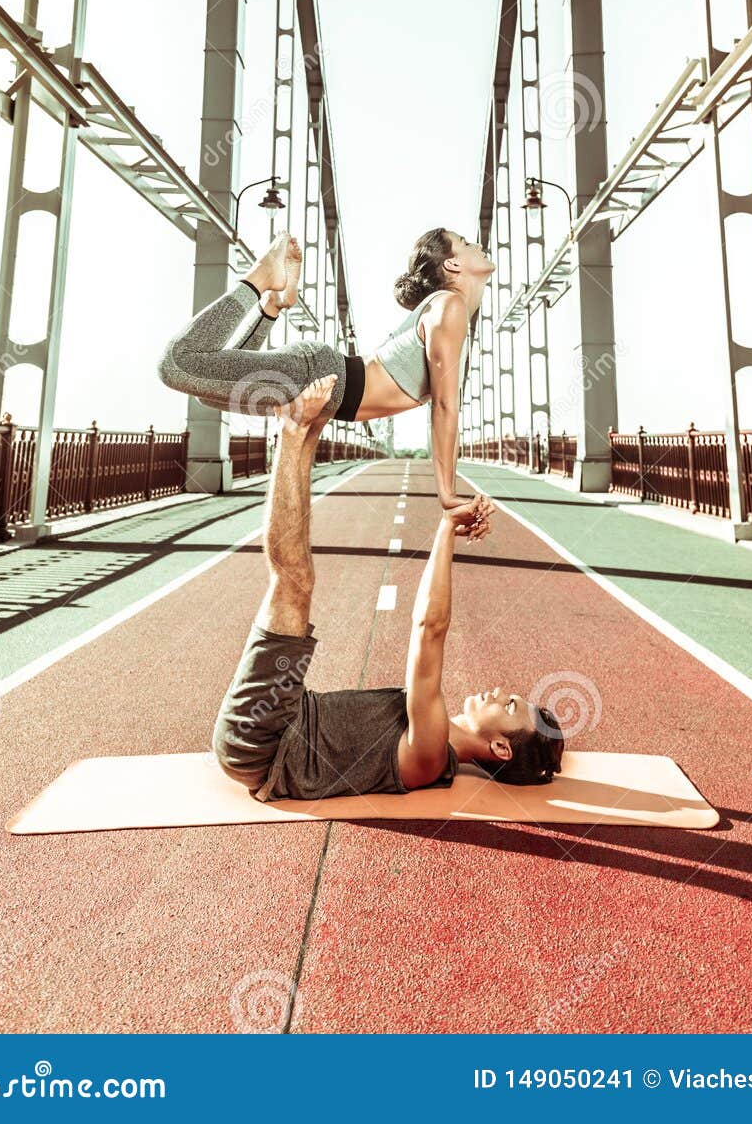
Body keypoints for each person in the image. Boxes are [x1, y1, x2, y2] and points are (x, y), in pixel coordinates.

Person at [211, 374, 563, 802]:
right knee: (295, 586)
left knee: (294, 585)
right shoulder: (435, 734)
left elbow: (429, 629)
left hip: (263, 742)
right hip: (286, 716)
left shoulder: (432, 753)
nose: (500, 693)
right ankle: (307, 430)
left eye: (510, 707)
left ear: (501, 748)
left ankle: (291, 431)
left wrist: (446, 529)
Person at [156, 226, 495, 520]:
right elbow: (445, 406)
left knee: (206, 393)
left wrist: (449, 493)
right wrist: (447, 495)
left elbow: (445, 407)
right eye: (466, 243)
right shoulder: (449, 306)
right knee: (176, 363)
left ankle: (272, 305)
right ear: (452, 264)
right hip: (316, 375)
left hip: (325, 391)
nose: (478, 244)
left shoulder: (447, 309)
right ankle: (260, 277)